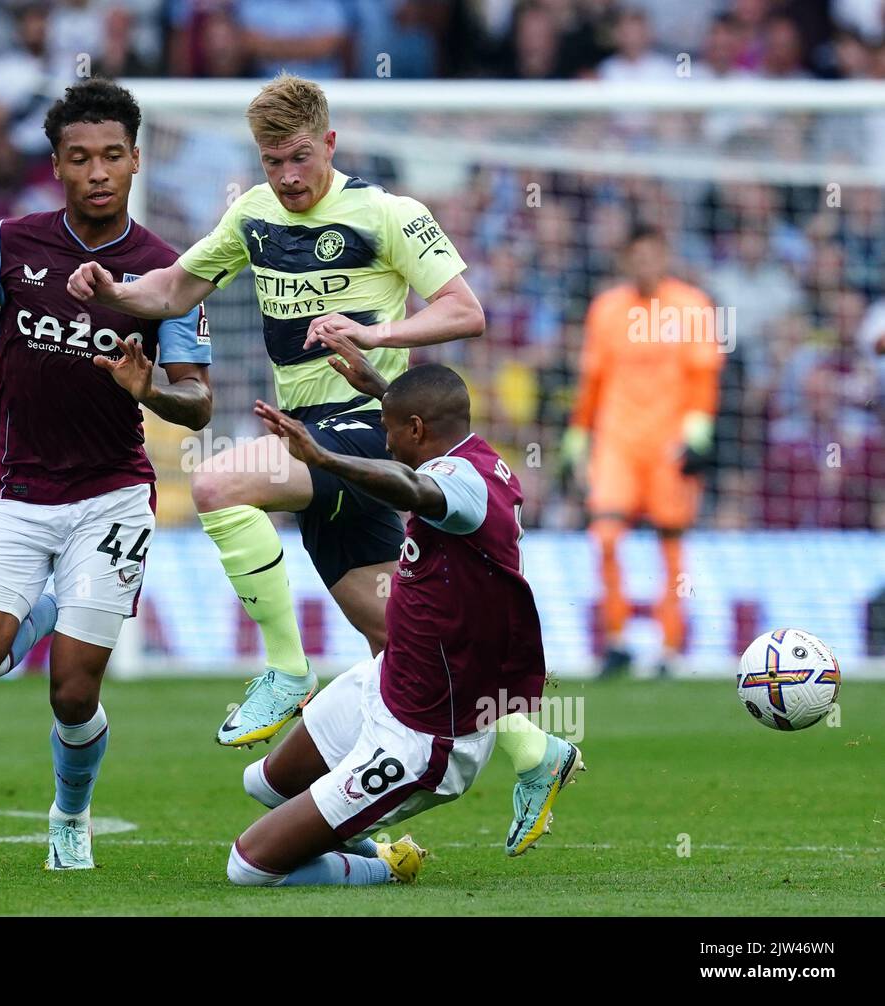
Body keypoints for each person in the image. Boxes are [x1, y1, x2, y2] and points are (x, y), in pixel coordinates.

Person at [67, 73, 485, 748]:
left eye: (300, 157)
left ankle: (289, 670)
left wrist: (373, 333)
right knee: (400, 644)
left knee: (215, 484)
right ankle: (536, 747)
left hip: (368, 423)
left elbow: (466, 311)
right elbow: (174, 290)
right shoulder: (254, 214)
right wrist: (114, 291)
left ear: (329, 143)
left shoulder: (388, 214)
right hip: (307, 435)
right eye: (272, 161)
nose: (288, 177)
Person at [0, 79, 212, 871]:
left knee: (72, 692)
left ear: (136, 160)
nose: (97, 171)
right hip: (19, 492)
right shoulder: (10, 243)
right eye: (78, 157)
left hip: (113, 497)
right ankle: (49, 607)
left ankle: (70, 812)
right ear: (57, 167)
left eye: (111, 156)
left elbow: (198, 406)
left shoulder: (169, 271)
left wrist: (150, 389)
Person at [227, 355, 582, 887]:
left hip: (425, 737)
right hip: (387, 681)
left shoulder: (459, 490)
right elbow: (428, 419)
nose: (385, 442)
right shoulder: (473, 454)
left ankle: (382, 869)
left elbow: (414, 490)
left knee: (249, 868)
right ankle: (354, 827)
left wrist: (325, 458)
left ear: (417, 429)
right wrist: (379, 387)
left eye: (389, 430)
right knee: (266, 785)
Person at [560, 226, 723, 677]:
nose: (645, 264)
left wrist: (698, 433)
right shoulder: (607, 309)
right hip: (617, 443)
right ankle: (617, 640)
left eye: (653, 255)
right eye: (637, 256)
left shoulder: (691, 305)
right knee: (606, 537)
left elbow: (702, 378)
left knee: (670, 544)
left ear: (665, 256)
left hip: (670, 445)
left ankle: (670, 649)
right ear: (626, 260)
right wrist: (577, 436)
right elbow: (592, 380)